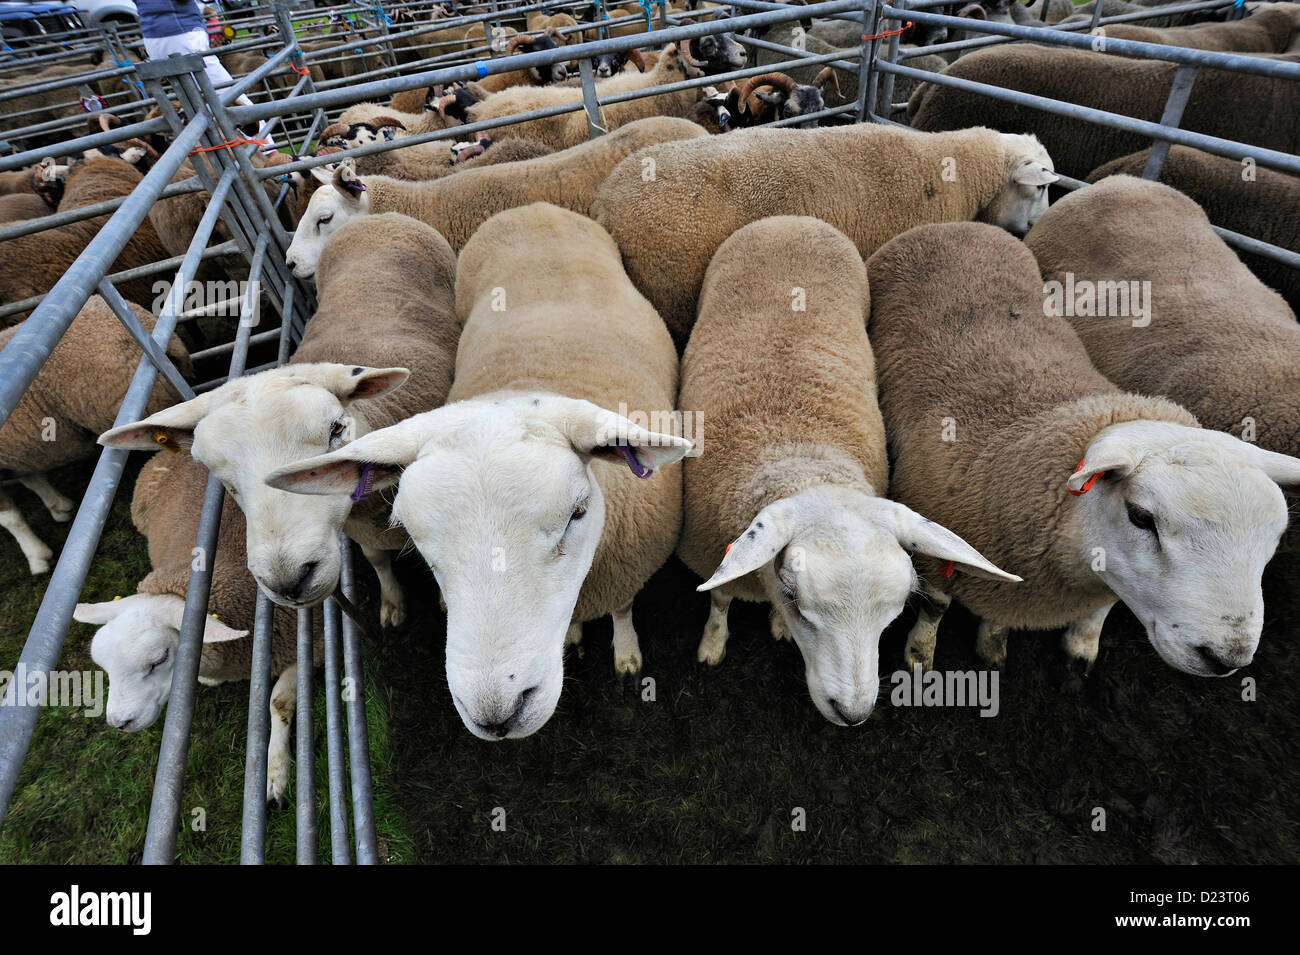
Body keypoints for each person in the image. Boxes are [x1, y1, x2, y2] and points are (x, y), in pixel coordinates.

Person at [133, 0, 276, 147]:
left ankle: (235, 153)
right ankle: (267, 150)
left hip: (154, 35)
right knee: (229, 95)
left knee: (194, 102)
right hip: (180, 34)